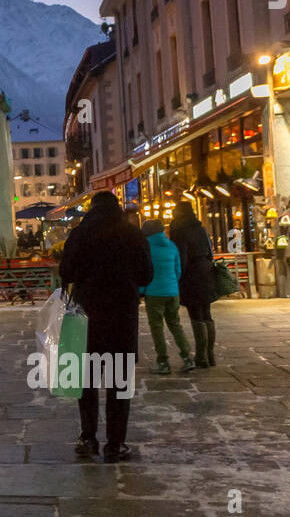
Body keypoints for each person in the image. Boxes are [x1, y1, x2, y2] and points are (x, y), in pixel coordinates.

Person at [58, 191, 152, 464]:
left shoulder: (80, 234)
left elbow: (66, 272)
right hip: (122, 316)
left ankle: (88, 437)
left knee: (87, 381)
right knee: (118, 381)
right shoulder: (132, 234)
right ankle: (115, 443)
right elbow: (147, 274)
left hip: (87, 316)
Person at [140, 219, 195, 374]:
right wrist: (172, 284)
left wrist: (142, 290)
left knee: (157, 327)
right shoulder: (171, 245)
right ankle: (187, 357)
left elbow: (144, 271)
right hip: (172, 291)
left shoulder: (146, 247)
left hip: (154, 292)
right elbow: (178, 270)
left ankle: (162, 361)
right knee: (175, 324)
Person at [171, 202, 217, 368]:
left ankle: (201, 356)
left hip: (191, 273)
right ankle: (210, 355)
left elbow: (181, 256)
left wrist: (178, 276)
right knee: (206, 312)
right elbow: (211, 252)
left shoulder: (179, 230)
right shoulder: (201, 228)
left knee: (196, 313)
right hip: (206, 270)